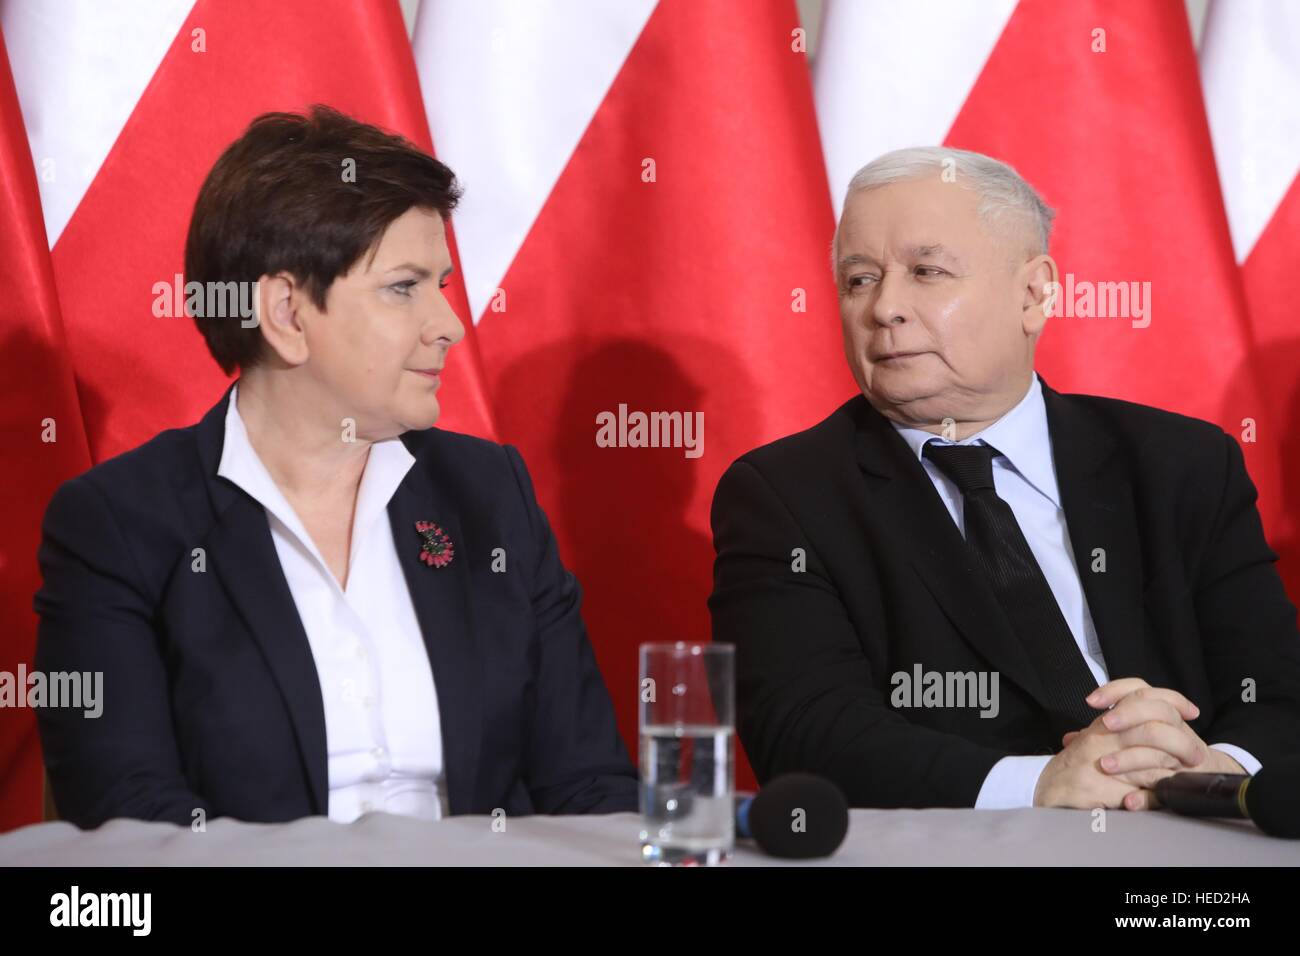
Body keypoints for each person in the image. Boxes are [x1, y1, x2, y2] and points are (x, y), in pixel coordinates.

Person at [34, 105, 637, 828]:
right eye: (404, 287)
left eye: (441, 284)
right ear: (287, 313)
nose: (447, 324)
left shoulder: (489, 495)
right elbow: (129, 822)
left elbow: (591, 790)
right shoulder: (121, 524)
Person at [709, 146, 1300, 811]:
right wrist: (1042, 785)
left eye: (926, 271)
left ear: (1033, 292)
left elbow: (1278, 694)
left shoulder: (1182, 465)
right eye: (859, 280)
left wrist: (1213, 772)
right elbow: (806, 733)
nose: (884, 308)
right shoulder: (786, 495)